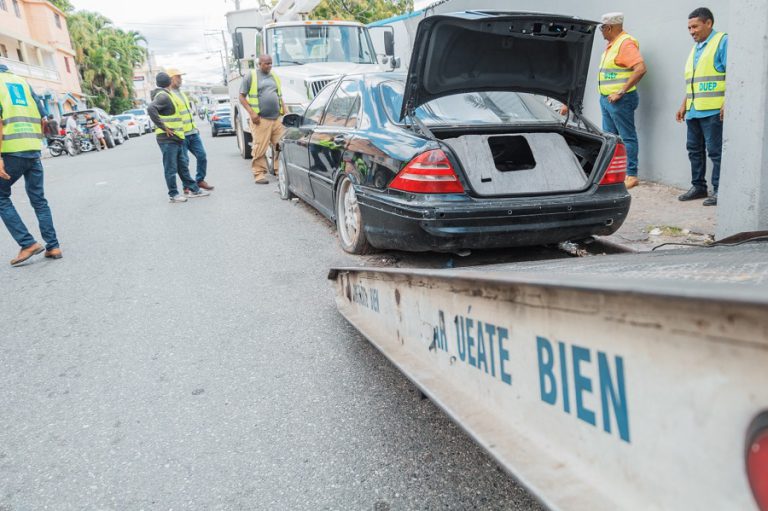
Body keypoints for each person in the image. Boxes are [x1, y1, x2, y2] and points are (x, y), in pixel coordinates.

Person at [0, 66, 62, 265]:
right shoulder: (22, 82)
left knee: (1, 197)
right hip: (33, 149)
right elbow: (44, 118)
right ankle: (53, 246)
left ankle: (27, 243)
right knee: (38, 199)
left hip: (11, 149)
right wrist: (35, 142)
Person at [676, 7, 727, 207]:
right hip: (694, 109)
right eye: (689, 28)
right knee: (694, 150)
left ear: (709, 23)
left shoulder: (722, 41)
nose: (691, 31)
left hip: (714, 110)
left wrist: (727, 101)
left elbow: (734, 73)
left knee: (715, 151)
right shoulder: (696, 49)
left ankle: (720, 190)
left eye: (695, 26)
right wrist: (684, 104)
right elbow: (694, 81)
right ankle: (699, 186)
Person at [597, 12, 647, 189]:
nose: (601, 31)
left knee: (627, 137)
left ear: (609, 27)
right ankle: (613, 174)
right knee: (610, 138)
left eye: (602, 27)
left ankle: (631, 174)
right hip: (607, 99)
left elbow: (640, 68)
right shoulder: (612, 45)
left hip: (620, 101)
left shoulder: (625, 43)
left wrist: (621, 91)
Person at [147, 72, 210, 203]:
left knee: (182, 166)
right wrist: (164, 127)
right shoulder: (163, 96)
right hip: (167, 138)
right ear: (169, 82)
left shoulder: (166, 94)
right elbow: (151, 108)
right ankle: (173, 194)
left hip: (176, 137)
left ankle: (194, 189)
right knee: (171, 167)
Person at [238, 54, 286, 184]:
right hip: (261, 119)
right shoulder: (251, 76)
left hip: (276, 119)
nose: (269, 66)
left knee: (280, 146)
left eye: (271, 63)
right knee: (260, 147)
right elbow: (241, 97)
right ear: (259, 64)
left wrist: (285, 113)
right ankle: (259, 174)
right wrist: (252, 113)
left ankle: (278, 170)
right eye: (266, 64)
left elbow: (279, 96)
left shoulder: (274, 76)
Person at [166, 68, 214, 192]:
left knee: (202, 156)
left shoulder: (181, 93)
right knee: (184, 162)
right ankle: (186, 186)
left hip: (192, 132)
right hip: (181, 134)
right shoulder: (169, 95)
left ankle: (200, 180)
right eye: (178, 77)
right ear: (171, 79)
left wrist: (194, 127)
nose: (181, 79)